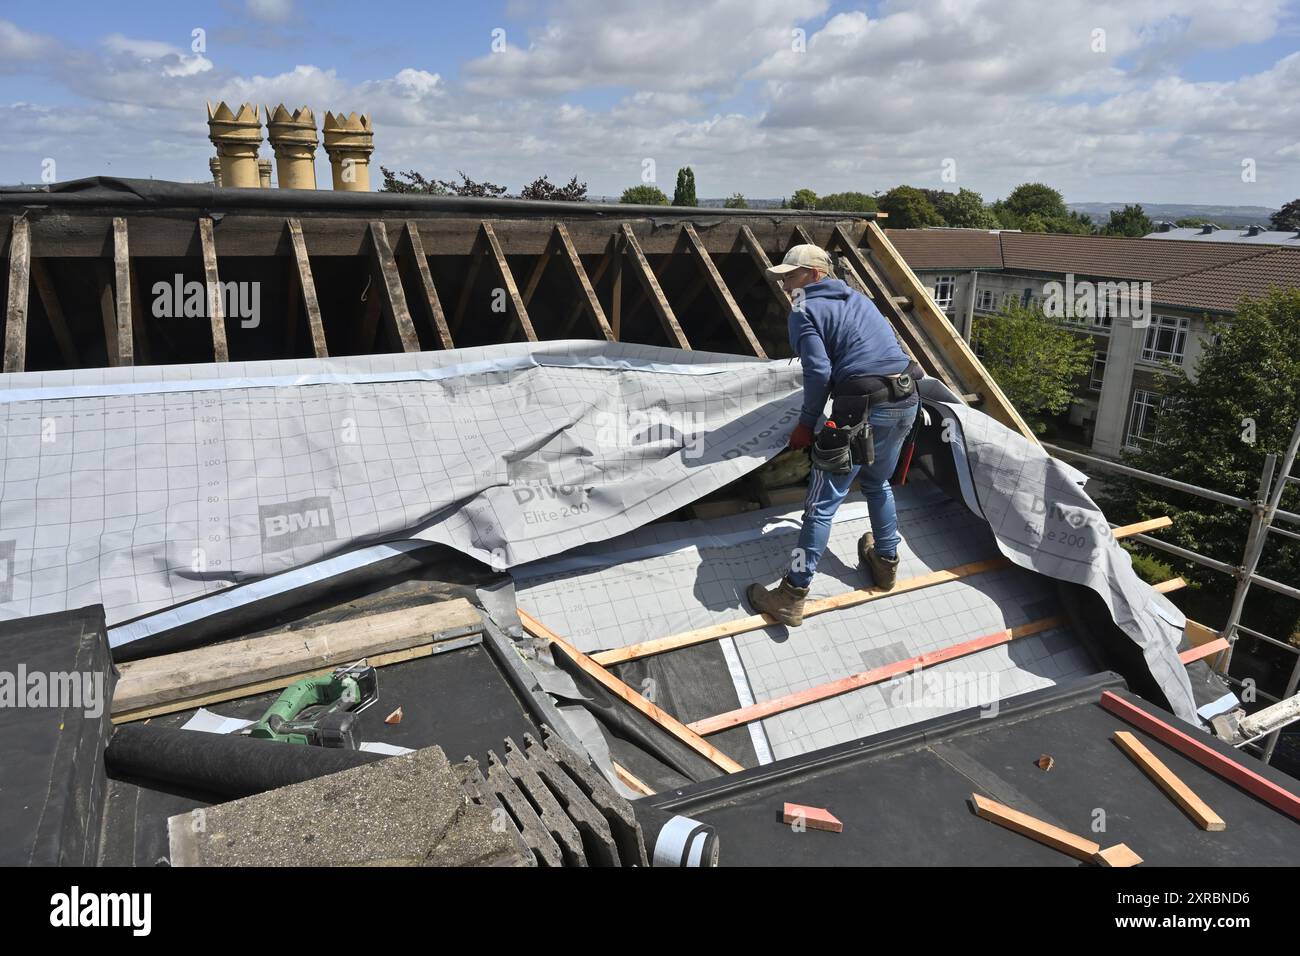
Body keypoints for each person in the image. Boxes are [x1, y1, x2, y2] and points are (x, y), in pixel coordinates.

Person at [746, 243, 921, 626]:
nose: (784, 285)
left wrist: (807, 424)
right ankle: (886, 563)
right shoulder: (859, 300)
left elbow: (819, 373)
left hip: (861, 407)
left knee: (822, 504)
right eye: (781, 278)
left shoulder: (803, 309)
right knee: (878, 483)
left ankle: (791, 594)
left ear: (814, 274)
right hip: (906, 397)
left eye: (790, 276)